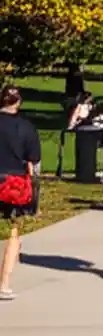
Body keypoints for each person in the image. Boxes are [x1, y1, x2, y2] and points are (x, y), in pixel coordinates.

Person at [0, 85, 40, 300]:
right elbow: (34, 160)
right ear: (19, 102)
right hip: (14, 182)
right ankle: (4, 283)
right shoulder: (26, 127)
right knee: (13, 231)